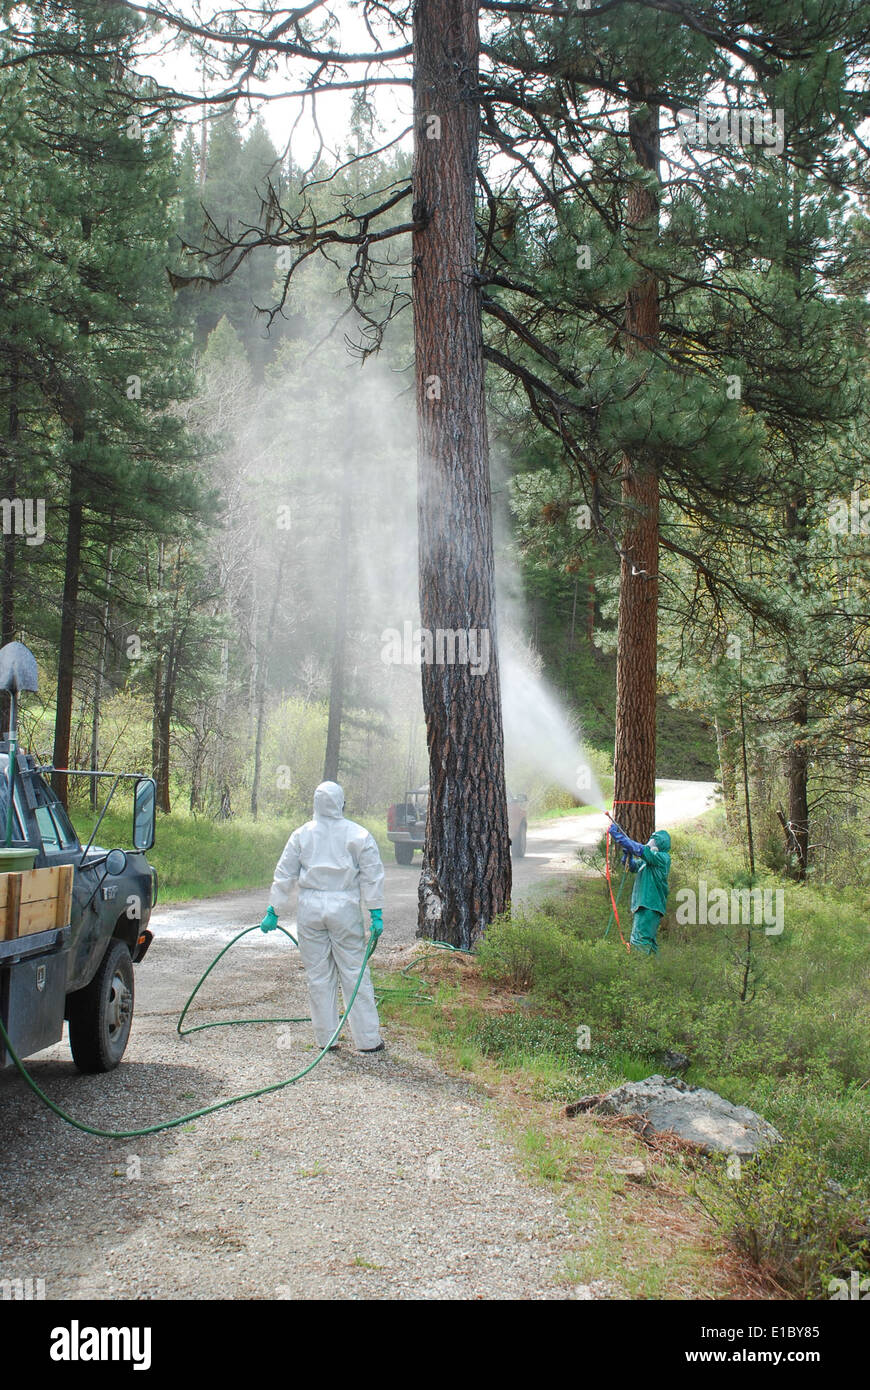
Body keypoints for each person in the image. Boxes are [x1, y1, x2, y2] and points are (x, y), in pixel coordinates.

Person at [260, 781, 385, 1052]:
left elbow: (284, 874)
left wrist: (274, 909)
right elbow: (372, 873)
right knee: (354, 971)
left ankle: (326, 1039)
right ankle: (367, 1040)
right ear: (341, 802)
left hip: (310, 909)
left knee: (318, 975)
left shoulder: (302, 834)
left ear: (315, 804)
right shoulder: (358, 834)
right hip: (344, 907)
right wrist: (375, 911)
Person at [607, 822, 672, 956]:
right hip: (646, 905)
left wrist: (619, 837)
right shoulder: (648, 862)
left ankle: (638, 971)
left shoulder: (662, 858)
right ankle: (656, 973)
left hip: (649, 905)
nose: (651, 843)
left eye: (655, 841)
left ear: (661, 844)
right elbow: (632, 866)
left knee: (639, 942)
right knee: (649, 943)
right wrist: (627, 855)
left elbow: (640, 850)